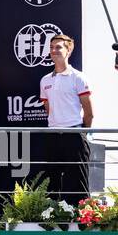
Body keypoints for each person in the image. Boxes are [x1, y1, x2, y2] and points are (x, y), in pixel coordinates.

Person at [38, 33, 92, 205]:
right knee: (51, 184)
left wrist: (81, 132)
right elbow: (49, 109)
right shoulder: (44, 80)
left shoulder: (79, 77)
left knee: (78, 184)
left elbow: (89, 111)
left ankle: (82, 222)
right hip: (52, 135)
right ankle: (52, 220)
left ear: (68, 50)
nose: (54, 50)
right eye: (52, 48)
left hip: (74, 134)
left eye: (59, 47)